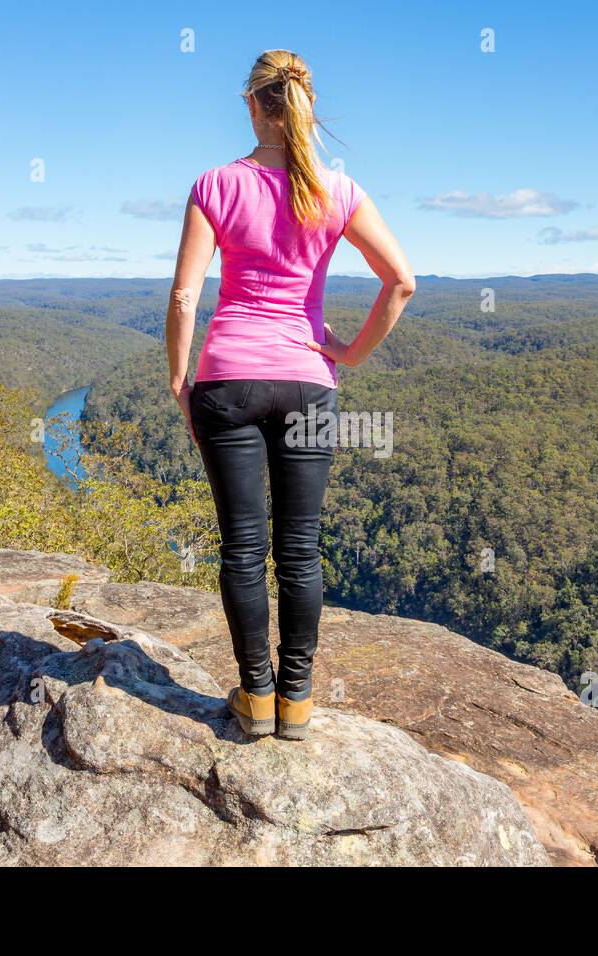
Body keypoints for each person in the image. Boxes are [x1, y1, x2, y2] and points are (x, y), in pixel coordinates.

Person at [165, 49, 415, 740]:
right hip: (307, 382)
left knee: (242, 549)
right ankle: (298, 703)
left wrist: (180, 381)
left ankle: (255, 697)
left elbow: (186, 296)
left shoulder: (215, 184)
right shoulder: (337, 190)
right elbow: (401, 281)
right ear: (303, 103)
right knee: (299, 550)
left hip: (228, 379)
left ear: (251, 103)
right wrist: (346, 355)